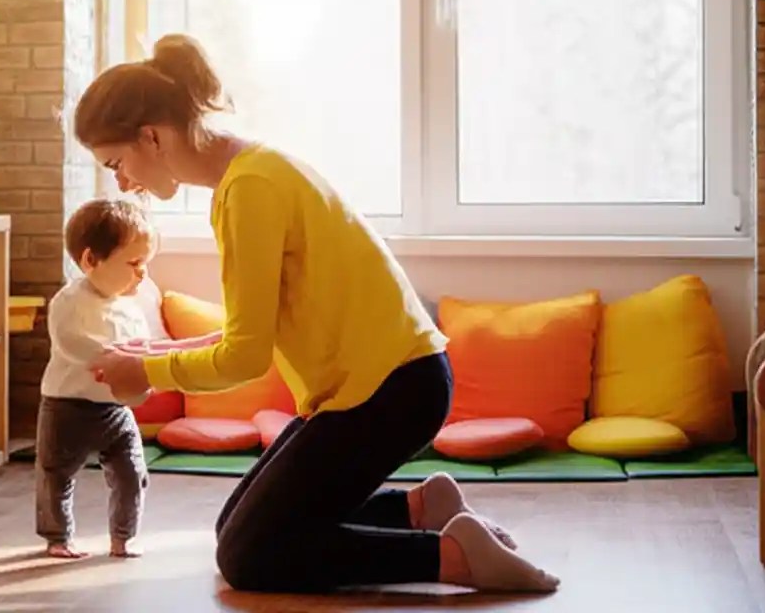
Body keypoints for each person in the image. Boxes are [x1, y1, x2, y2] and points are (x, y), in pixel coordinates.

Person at [72, 33, 560, 594]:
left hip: (389, 393)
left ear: (151, 137)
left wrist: (151, 374)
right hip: (385, 384)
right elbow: (247, 332)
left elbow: (245, 358)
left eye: (116, 163)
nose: (122, 182)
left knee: (249, 555)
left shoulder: (248, 191)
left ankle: (455, 558)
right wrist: (156, 351)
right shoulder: (253, 170)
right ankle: (423, 508)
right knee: (235, 527)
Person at [35, 198, 165, 559]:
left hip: (115, 409)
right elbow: (71, 343)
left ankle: (124, 536)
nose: (143, 274)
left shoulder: (131, 307)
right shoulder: (69, 301)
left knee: (131, 473)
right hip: (66, 406)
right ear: (91, 261)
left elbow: (143, 349)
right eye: (134, 263)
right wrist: (113, 360)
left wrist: (145, 373)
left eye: (146, 264)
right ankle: (58, 537)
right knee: (56, 475)